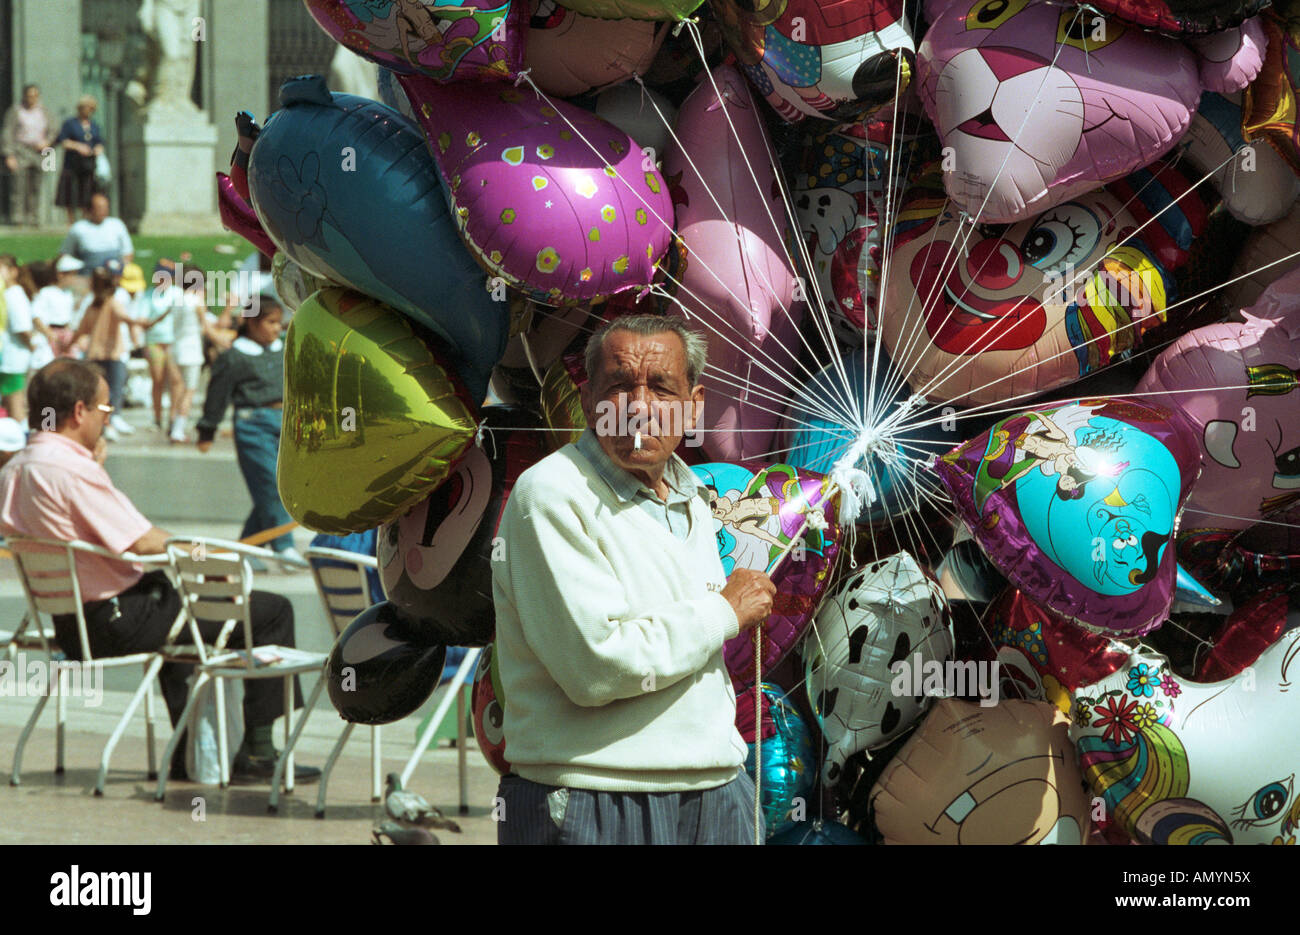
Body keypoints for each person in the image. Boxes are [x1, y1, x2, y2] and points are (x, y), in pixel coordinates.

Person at [491, 315, 776, 845]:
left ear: (694, 405)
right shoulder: (553, 494)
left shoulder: (693, 496)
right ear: (587, 398)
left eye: (661, 388)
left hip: (715, 793)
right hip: (594, 798)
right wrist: (724, 612)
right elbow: (596, 665)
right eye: (619, 386)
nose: (639, 406)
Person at [0, 359, 321, 784]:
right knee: (269, 611)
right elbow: (145, 541)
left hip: (68, 624)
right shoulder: (69, 470)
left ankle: (190, 751)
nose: (106, 420)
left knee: (186, 618)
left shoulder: (15, 469)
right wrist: (211, 554)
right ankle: (259, 750)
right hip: (115, 621)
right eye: (105, 410)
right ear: (79, 412)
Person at [196, 298, 305, 571]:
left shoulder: (284, 349)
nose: (276, 329)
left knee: (278, 488)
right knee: (271, 485)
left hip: (287, 423)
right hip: (253, 424)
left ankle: (245, 550)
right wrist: (207, 429)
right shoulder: (234, 357)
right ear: (252, 323)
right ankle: (284, 547)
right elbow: (217, 395)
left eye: (278, 323)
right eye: (269, 323)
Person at [70, 267, 158, 441]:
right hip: (112, 355)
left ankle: (106, 422)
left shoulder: (94, 304)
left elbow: (81, 329)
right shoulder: (109, 302)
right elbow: (125, 318)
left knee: (101, 393)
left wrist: (71, 342)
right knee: (112, 392)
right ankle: (109, 421)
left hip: (97, 354)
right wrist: (139, 323)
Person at [2, 84, 53, 227]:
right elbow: (7, 133)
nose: (32, 99)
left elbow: (53, 130)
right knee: (18, 186)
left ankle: (33, 217)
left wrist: (47, 142)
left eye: (35, 96)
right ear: (24, 96)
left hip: (39, 152)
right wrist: (9, 155)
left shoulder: (44, 111)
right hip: (20, 150)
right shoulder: (16, 111)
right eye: (30, 95)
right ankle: (17, 218)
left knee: (35, 186)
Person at [53, 96, 105, 226]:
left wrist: (98, 149)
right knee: (70, 191)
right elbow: (63, 141)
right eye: (84, 107)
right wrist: (78, 146)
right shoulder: (70, 124)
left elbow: (99, 142)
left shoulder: (94, 126)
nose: (87, 110)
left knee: (87, 191)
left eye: (90, 108)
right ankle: (71, 220)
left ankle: (85, 218)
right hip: (72, 164)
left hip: (88, 165)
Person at [0, 256, 36, 423]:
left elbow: (22, 328)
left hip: (14, 359)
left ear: (13, 271)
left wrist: (32, 345)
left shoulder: (13, 294)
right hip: (11, 358)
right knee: (9, 405)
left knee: (16, 407)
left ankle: (22, 442)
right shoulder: (9, 293)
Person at [60, 192, 133, 270]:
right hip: (87, 275)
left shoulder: (117, 225)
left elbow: (128, 253)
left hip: (114, 274)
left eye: (106, 207)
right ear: (90, 209)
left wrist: (119, 268)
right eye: (99, 208)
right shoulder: (78, 228)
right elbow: (65, 254)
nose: (103, 211)